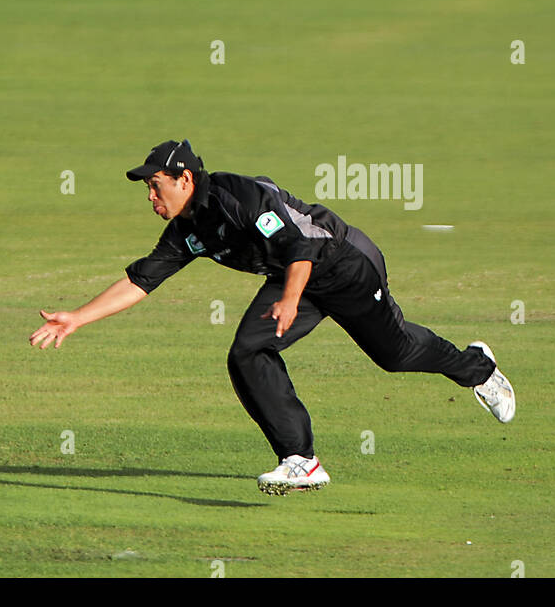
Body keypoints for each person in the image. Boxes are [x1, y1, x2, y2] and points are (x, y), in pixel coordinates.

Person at [29, 140, 515, 495]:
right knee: (247, 352)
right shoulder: (185, 229)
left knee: (396, 354)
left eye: (156, 187)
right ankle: (300, 460)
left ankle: (480, 368)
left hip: (341, 263)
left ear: (185, 179)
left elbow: (301, 244)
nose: (151, 198)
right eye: (147, 191)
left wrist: (288, 298)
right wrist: (78, 318)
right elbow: (141, 281)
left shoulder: (238, 197)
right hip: (293, 279)